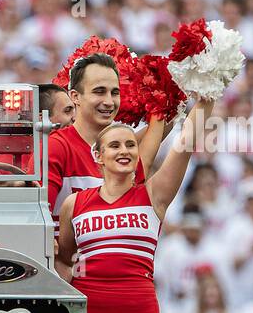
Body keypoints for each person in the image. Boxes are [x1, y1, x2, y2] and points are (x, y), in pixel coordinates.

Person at [57, 98, 215, 313]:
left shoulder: (152, 195)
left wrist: (206, 98)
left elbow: (185, 143)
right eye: (115, 145)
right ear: (98, 155)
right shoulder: (74, 204)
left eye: (130, 145)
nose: (125, 151)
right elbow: (65, 259)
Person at [45, 53, 170, 229]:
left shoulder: (124, 155)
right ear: (75, 96)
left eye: (115, 92)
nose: (109, 102)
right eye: (99, 91)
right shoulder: (56, 147)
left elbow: (162, 123)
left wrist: (163, 86)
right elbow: (38, 221)